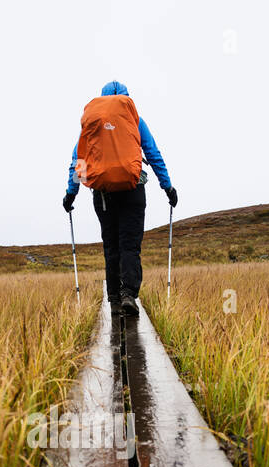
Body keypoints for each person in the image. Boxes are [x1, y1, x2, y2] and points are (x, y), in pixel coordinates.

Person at [63, 81, 177, 319]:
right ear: (126, 98)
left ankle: (114, 299)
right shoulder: (134, 119)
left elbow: (79, 159)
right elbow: (153, 153)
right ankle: (128, 294)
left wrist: (71, 192)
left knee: (111, 245)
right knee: (130, 245)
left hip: (103, 195)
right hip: (133, 189)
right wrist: (167, 187)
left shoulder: (93, 122)